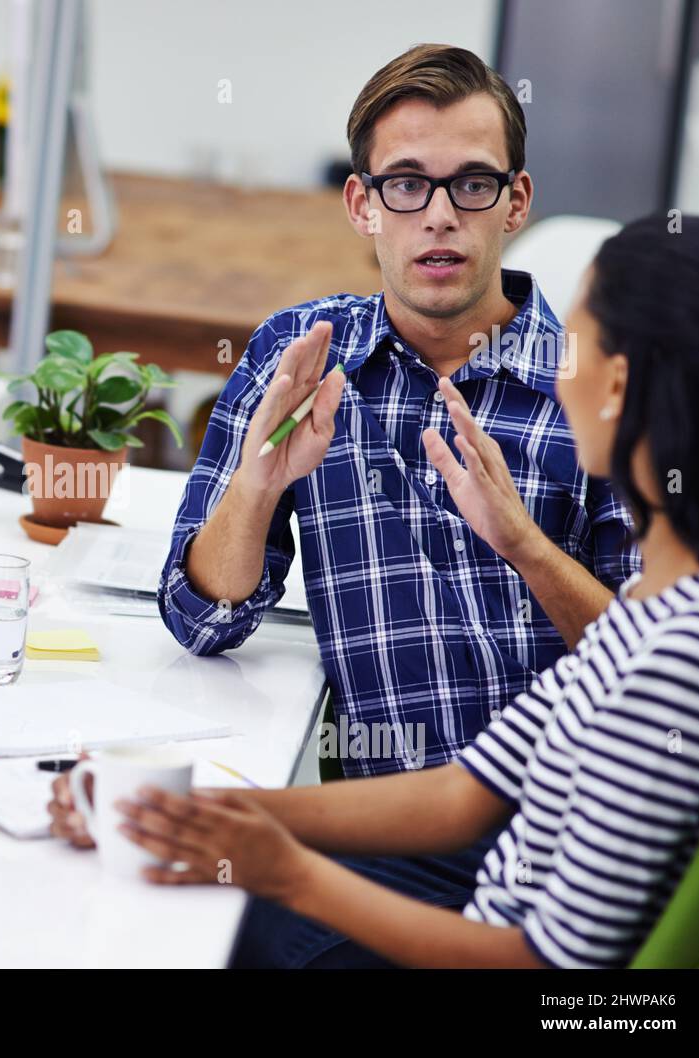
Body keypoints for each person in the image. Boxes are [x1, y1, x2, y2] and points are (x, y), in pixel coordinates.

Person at [60, 215, 699, 968]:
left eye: (577, 328)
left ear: (615, 385)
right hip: (464, 900)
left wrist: (286, 870)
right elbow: (460, 796)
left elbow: (545, 969)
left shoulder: (679, 658)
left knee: (172, 931)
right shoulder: (654, 616)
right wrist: (183, 812)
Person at [159, 45, 639, 775]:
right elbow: (200, 621)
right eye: (408, 185)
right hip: (382, 814)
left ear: (516, 201)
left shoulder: (600, 384)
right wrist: (255, 490)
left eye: (473, 184)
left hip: (560, 823)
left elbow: (655, 672)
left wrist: (526, 547)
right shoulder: (300, 358)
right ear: (363, 205)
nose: (440, 216)